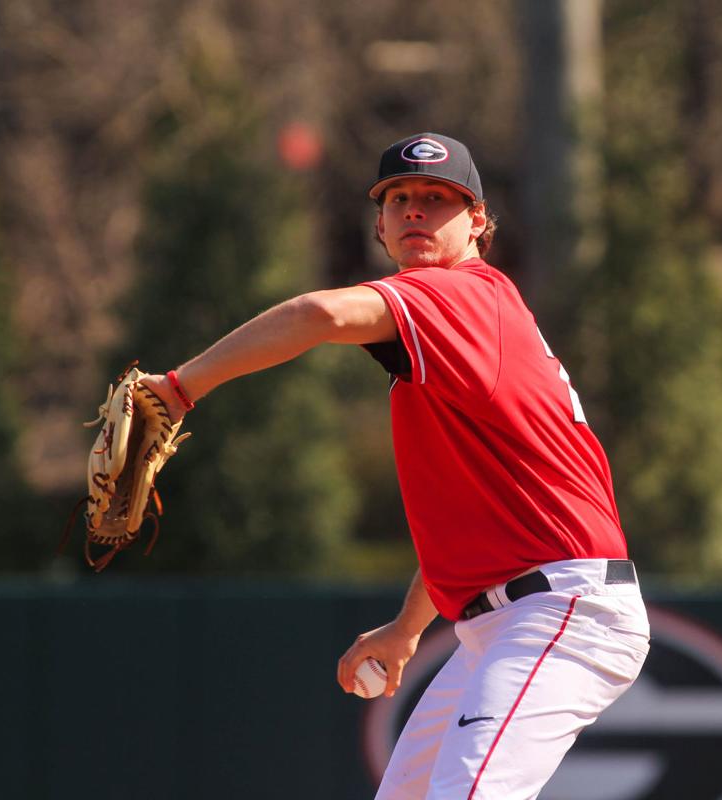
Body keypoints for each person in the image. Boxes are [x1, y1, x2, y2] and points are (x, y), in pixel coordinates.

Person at [139, 132, 650, 799]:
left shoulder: (463, 295)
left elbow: (319, 312)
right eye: (399, 198)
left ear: (478, 223)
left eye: (439, 199)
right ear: (378, 224)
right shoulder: (451, 338)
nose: (415, 210)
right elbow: (470, 515)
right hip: (502, 620)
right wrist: (408, 628)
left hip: (560, 610)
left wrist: (179, 389)